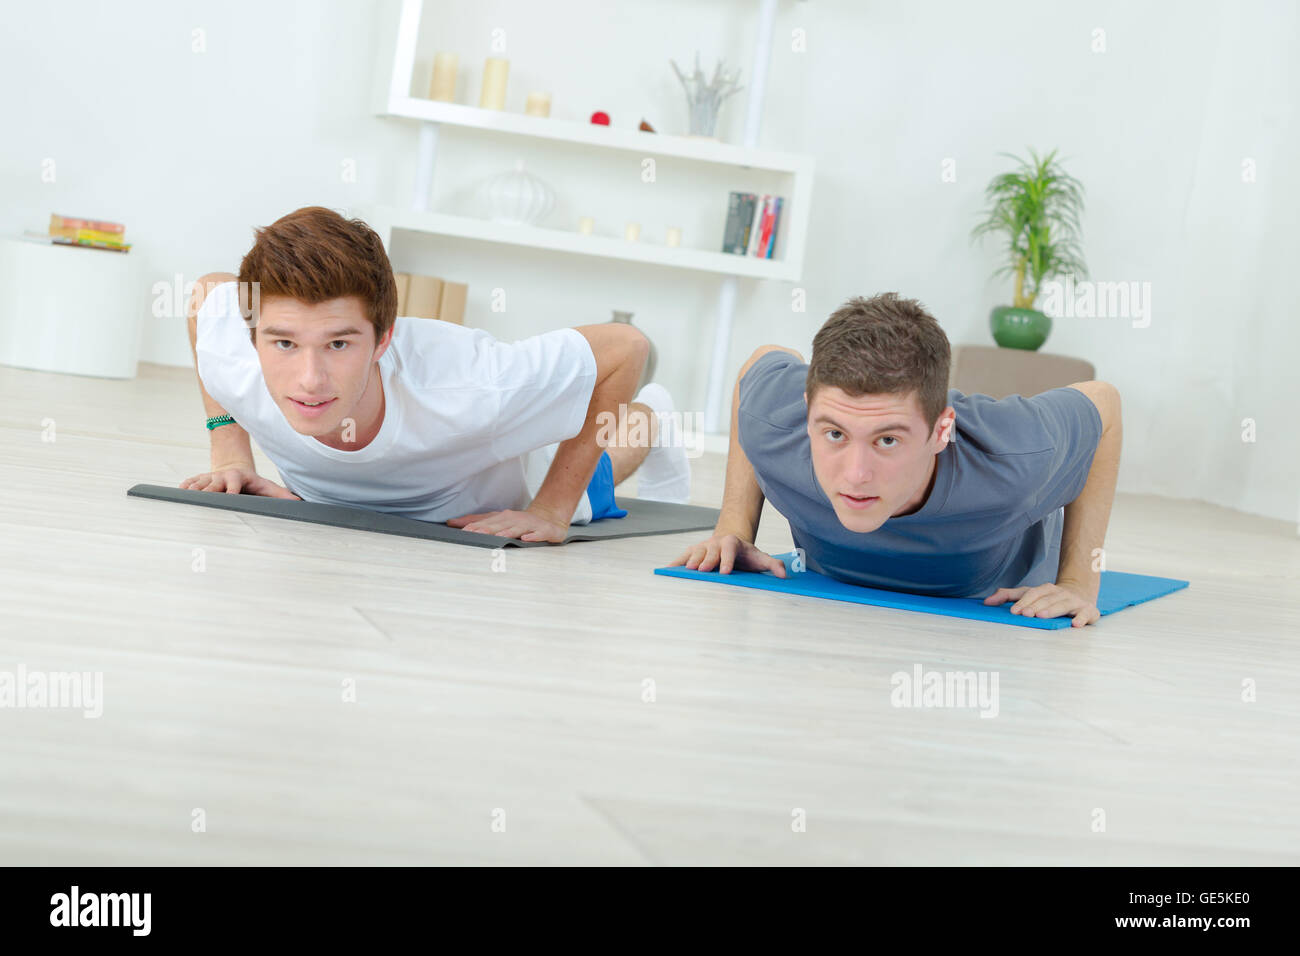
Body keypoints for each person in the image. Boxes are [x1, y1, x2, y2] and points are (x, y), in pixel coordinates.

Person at [180, 206, 690, 543]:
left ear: (383, 338)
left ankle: (656, 416)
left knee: (598, 480)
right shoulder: (234, 343)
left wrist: (553, 508)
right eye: (285, 343)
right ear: (253, 336)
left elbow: (627, 348)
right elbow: (207, 293)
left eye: (338, 343)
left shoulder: (472, 388)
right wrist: (228, 449)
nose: (310, 379)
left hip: (497, 487)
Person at [670, 292, 1122, 627]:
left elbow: (1104, 403)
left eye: (887, 441)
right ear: (808, 411)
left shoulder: (1015, 457)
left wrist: (1079, 581)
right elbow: (760, 363)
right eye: (835, 434)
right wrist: (733, 527)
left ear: (942, 430)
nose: (856, 474)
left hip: (998, 579)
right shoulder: (774, 419)